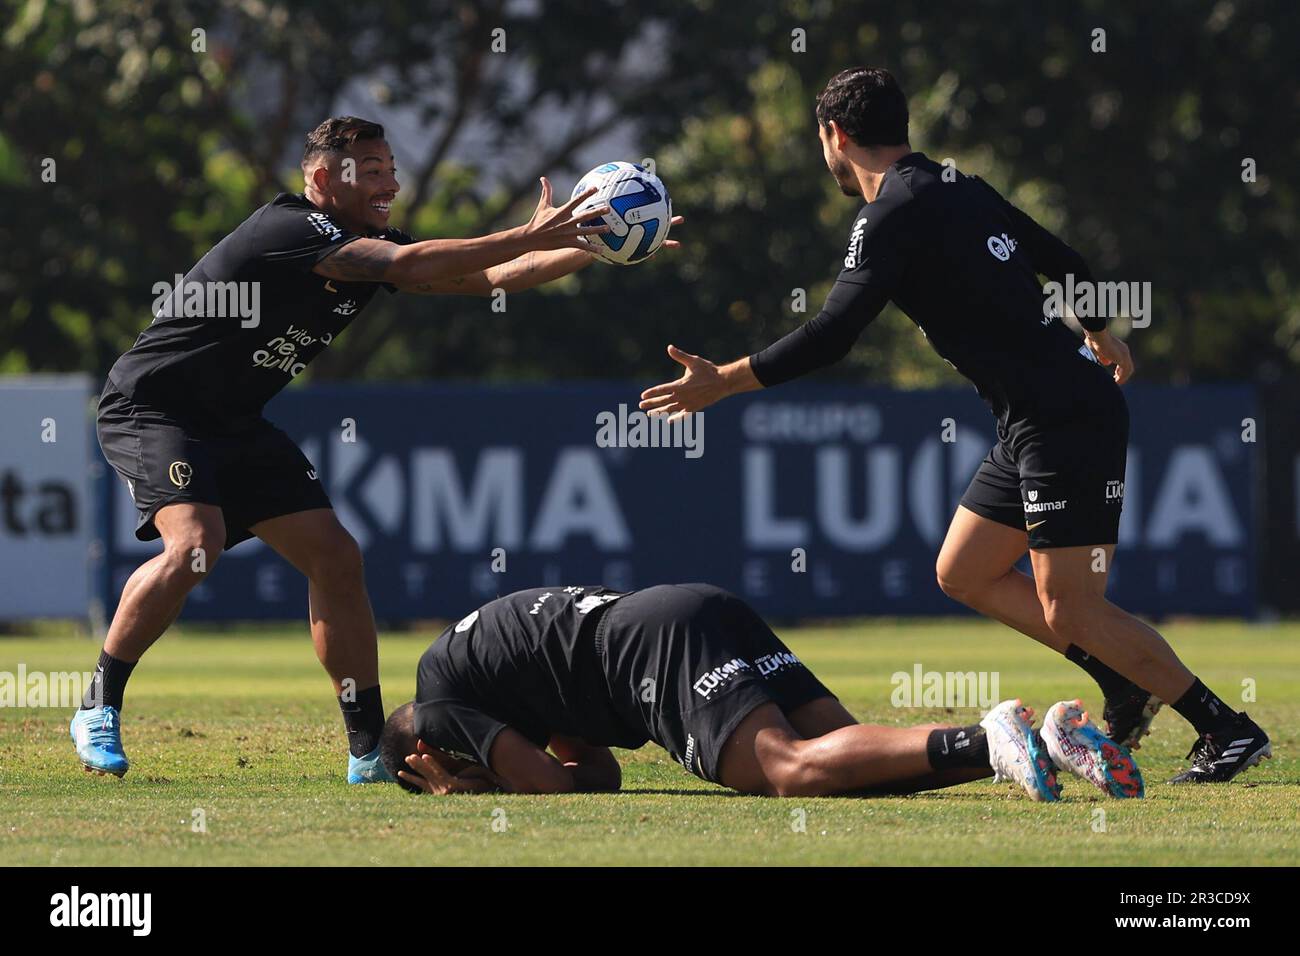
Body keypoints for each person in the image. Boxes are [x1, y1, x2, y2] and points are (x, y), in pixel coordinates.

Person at [637, 68, 1269, 783]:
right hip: (1036, 417)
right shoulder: (956, 185)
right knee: (962, 570)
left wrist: (725, 380)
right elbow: (1063, 260)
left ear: (834, 136)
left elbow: (833, 333)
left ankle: (1226, 726)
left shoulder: (889, 214)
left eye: (822, 140)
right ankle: (1125, 684)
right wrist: (1099, 329)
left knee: (1070, 607)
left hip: (1062, 418)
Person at [75, 116, 678, 783]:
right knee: (195, 543)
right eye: (374, 169)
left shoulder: (368, 240)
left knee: (335, 557)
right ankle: (99, 703)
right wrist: (528, 229)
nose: (390, 181)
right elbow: (409, 264)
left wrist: (592, 245)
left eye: (392, 167)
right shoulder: (291, 230)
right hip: (153, 406)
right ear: (323, 177)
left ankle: (366, 749)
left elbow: (488, 278)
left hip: (233, 420)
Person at [380, 582, 1143, 800]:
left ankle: (990, 736)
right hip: (689, 607)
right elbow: (597, 772)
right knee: (852, 772)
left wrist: (475, 789)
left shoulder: (440, 701)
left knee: (786, 770)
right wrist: (521, 767)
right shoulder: (480, 667)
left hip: (650, 648)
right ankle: (1029, 744)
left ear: (422, 752)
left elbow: (552, 782)